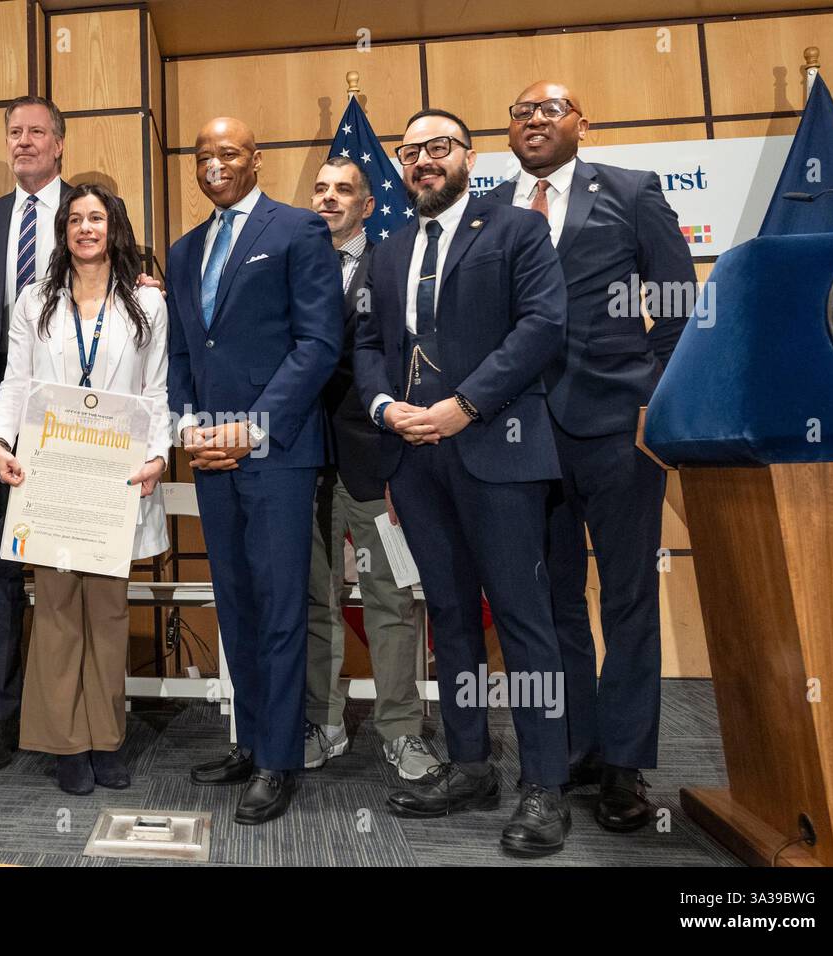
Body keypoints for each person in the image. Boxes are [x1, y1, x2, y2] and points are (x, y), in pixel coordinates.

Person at [354, 108, 573, 855]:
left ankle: (544, 784)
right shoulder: (386, 252)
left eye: (437, 148)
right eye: (410, 151)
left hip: (498, 448)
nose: (422, 161)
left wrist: (463, 406)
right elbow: (365, 344)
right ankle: (472, 763)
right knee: (449, 617)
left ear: (468, 157)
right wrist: (385, 407)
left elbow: (542, 326)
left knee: (523, 619)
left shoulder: (515, 229)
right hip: (414, 461)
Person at [484, 81, 694, 832]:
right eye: (521, 112)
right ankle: (574, 746)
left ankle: (625, 766)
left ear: (582, 124)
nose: (534, 120)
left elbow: (675, 305)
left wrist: (656, 406)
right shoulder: (494, 208)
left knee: (630, 598)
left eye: (551, 109)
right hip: (521, 434)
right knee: (552, 603)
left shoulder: (633, 192)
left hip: (615, 428)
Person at [168, 116, 342, 825]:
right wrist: (187, 426)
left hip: (277, 451)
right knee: (236, 603)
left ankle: (279, 758)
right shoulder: (183, 251)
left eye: (228, 152)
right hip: (210, 454)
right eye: (203, 155)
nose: (214, 165)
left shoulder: (299, 232)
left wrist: (252, 427)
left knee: (278, 604)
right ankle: (250, 738)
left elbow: (317, 344)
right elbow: (183, 352)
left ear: (257, 159)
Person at [0, 183, 169, 795]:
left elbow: (158, 391)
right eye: (74, 219)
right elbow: (16, 381)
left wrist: (158, 456)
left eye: (96, 217)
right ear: (62, 231)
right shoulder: (34, 300)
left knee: (109, 613)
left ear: (113, 227)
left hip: (117, 477)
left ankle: (106, 739)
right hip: (52, 474)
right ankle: (67, 744)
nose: (85, 227)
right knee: (59, 610)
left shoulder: (147, 304)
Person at [303, 157, 430, 780]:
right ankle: (323, 724)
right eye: (321, 189)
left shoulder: (392, 263)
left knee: (387, 599)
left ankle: (401, 733)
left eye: (343, 190)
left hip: (375, 463)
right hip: (300, 462)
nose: (329, 199)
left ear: (369, 203)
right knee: (313, 600)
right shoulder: (294, 264)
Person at [0, 96, 73, 771]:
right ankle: (2, 719)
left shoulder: (86, 210)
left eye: (36, 132)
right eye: (15, 132)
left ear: (59, 144)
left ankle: (65, 718)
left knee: (66, 568)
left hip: (71, 416)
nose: (24, 142)